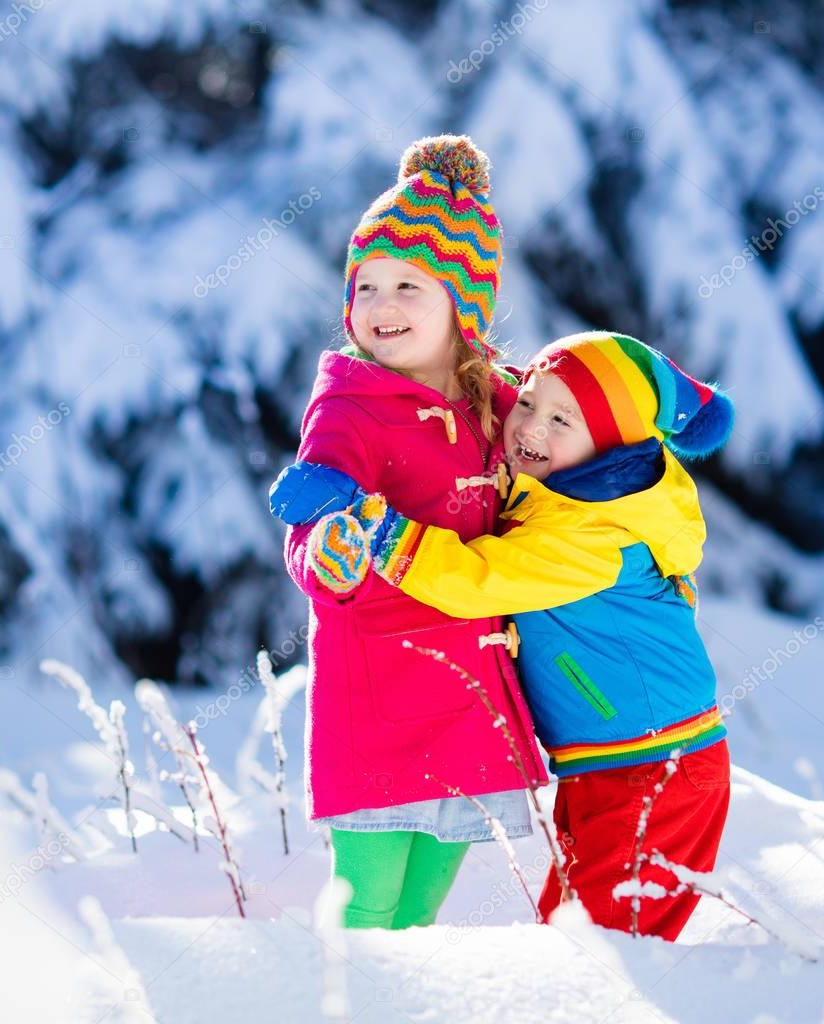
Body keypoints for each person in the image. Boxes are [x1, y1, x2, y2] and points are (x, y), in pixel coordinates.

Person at [272, 331, 735, 939]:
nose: (532, 426)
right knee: (575, 931)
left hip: (657, 770)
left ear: (611, 443)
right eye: (529, 403)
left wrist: (371, 522)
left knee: (596, 947)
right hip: (616, 761)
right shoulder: (569, 487)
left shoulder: (596, 537)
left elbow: (479, 578)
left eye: (561, 419)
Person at [271, 134, 546, 930]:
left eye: (408, 286)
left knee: (419, 917)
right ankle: (329, 992)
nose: (381, 305)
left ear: (463, 302)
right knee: (368, 910)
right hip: (378, 696)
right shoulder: (349, 406)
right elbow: (314, 520)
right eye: (366, 285)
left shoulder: (497, 401)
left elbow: (575, 436)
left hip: (468, 698)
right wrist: (328, 554)